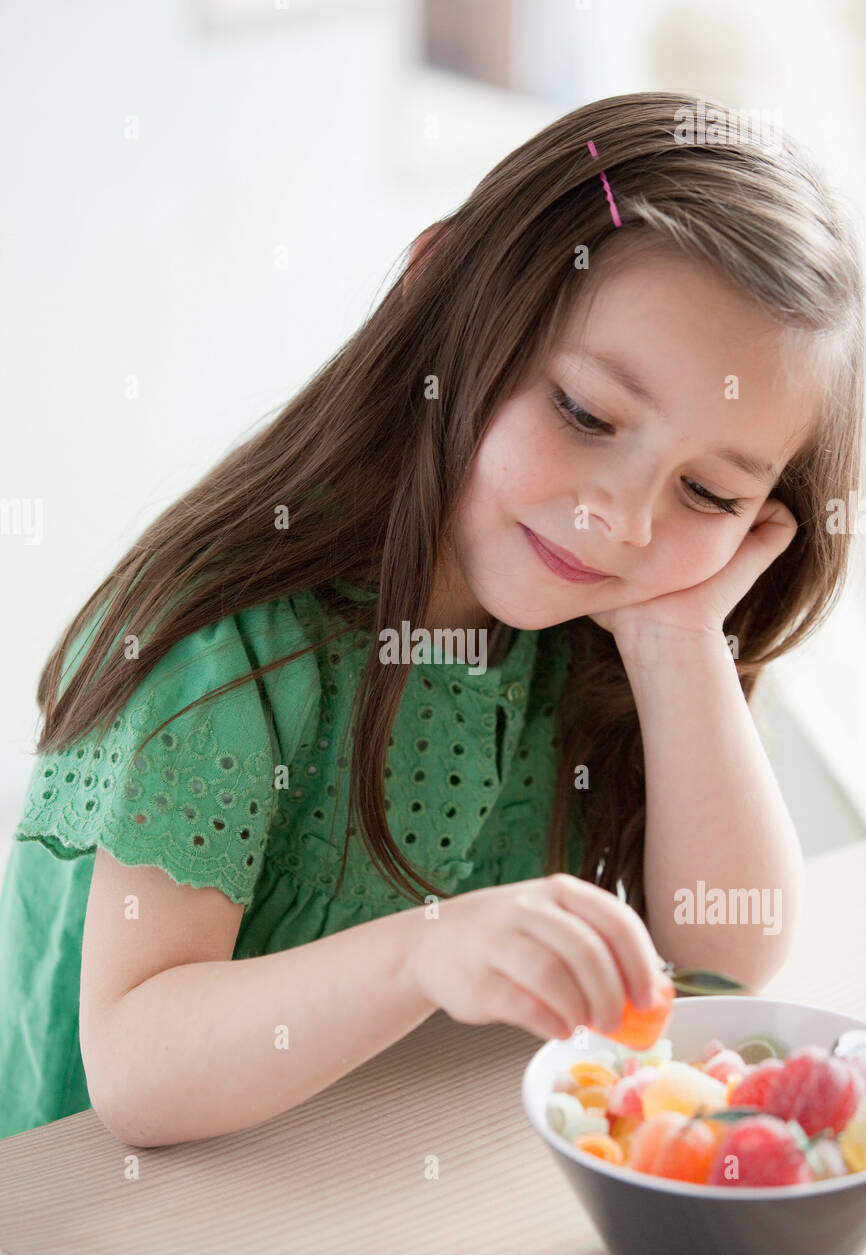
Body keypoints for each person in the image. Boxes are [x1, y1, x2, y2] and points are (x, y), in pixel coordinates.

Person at [0, 91, 861, 1146]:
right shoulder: (223, 643)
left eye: (708, 494)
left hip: (369, 1182)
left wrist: (674, 642)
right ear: (438, 296)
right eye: (585, 414)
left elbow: (724, 951)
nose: (619, 519)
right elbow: (133, 1069)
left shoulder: (594, 628)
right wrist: (423, 950)